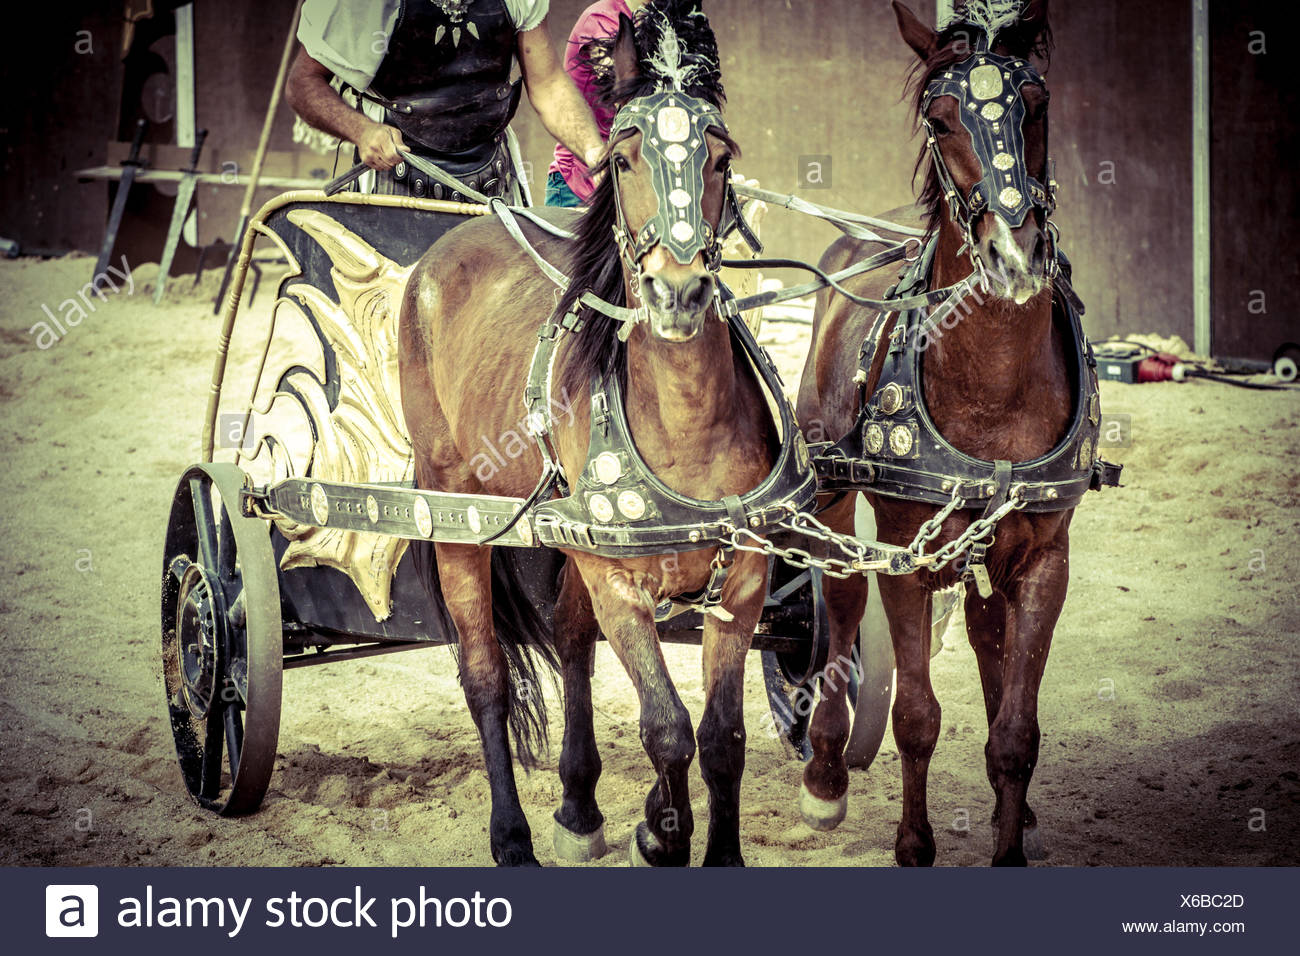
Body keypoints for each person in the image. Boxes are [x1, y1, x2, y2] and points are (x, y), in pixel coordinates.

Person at [286, 0, 605, 202]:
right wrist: (361, 131)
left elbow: (548, 82)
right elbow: (302, 83)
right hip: (396, 178)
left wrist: (594, 151)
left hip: (492, 173)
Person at [545, 0, 650, 207]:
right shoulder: (601, 19)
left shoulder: (666, 23)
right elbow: (628, 94)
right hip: (580, 184)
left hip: (634, 180)